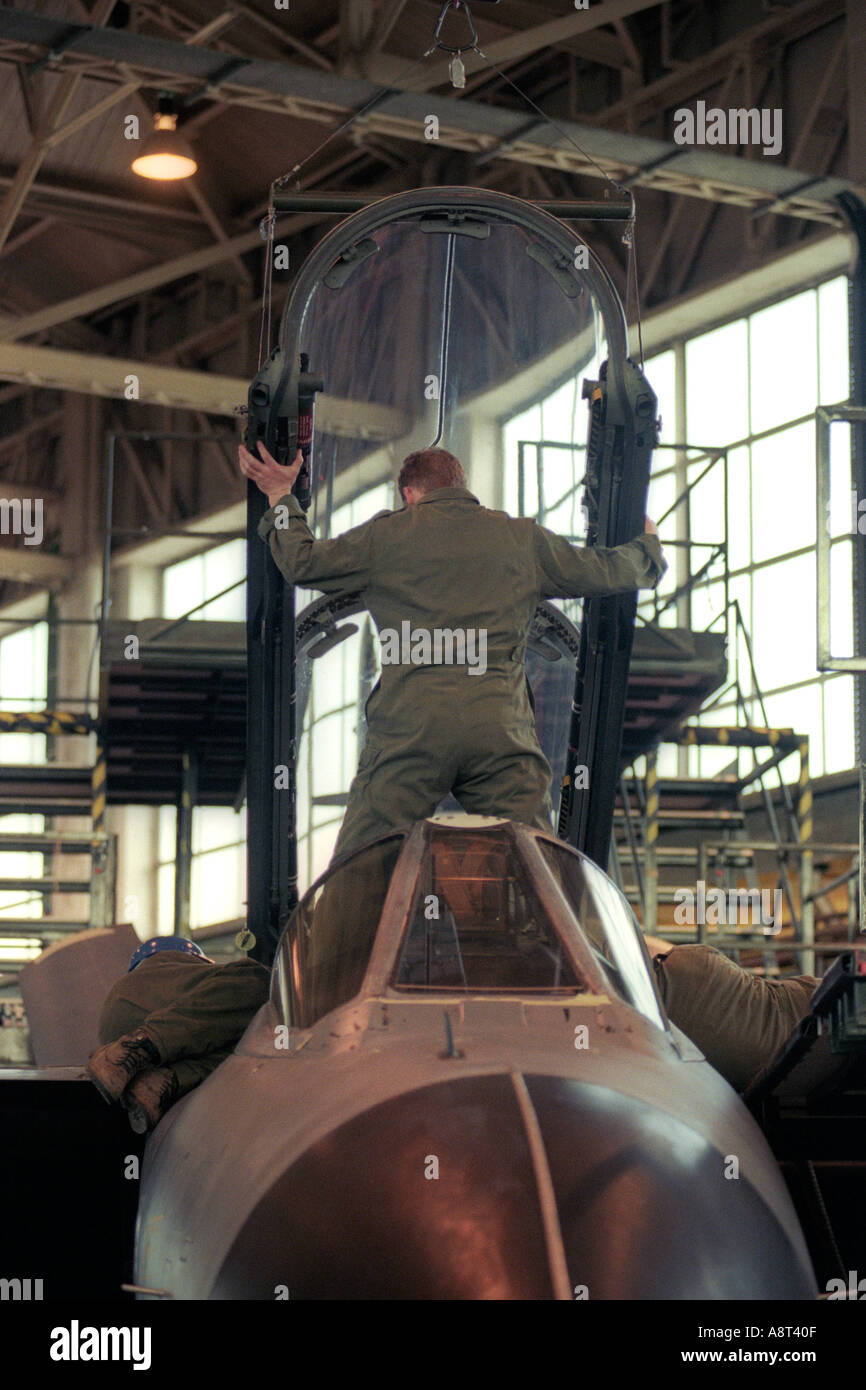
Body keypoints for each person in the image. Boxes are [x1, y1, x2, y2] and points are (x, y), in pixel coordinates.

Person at [239, 440, 666, 863]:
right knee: (537, 869)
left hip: (410, 735)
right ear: (462, 486)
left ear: (409, 494)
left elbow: (302, 563)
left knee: (363, 869)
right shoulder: (521, 538)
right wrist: (647, 547)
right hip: (499, 736)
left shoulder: (385, 536)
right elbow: (605, 571)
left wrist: (280, 496)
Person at [87, 936, 269, 1132]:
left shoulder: (122, 992)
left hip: (115, 1026)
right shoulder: (175, 968)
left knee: (251, 1043)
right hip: (145, 1026)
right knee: (263, 980)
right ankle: (143, 1047)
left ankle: (156, 1084)